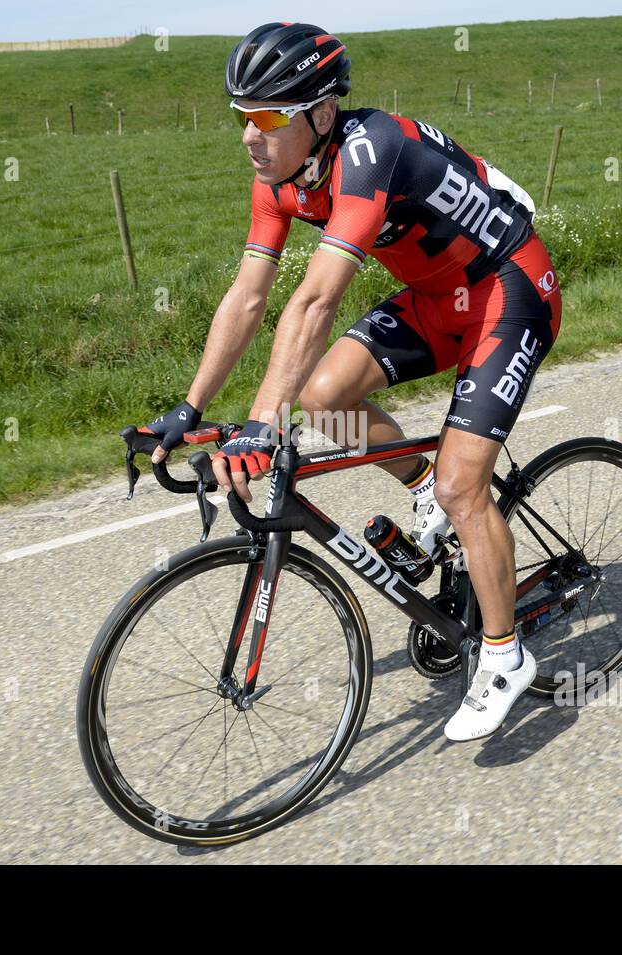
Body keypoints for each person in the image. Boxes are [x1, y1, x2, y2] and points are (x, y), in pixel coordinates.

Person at [140, 22, 562, 741]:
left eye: (269, 116)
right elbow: (248, 297)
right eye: (242, 115)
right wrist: (191, 405)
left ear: (322, 115)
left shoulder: (371, 151)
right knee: (325, 397)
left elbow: (314, 301)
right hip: (437, 300)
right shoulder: (278, 181)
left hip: (508, 290)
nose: (250, 133)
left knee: (468, 485)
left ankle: (503, 655)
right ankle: (424, 489)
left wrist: (262, 421)